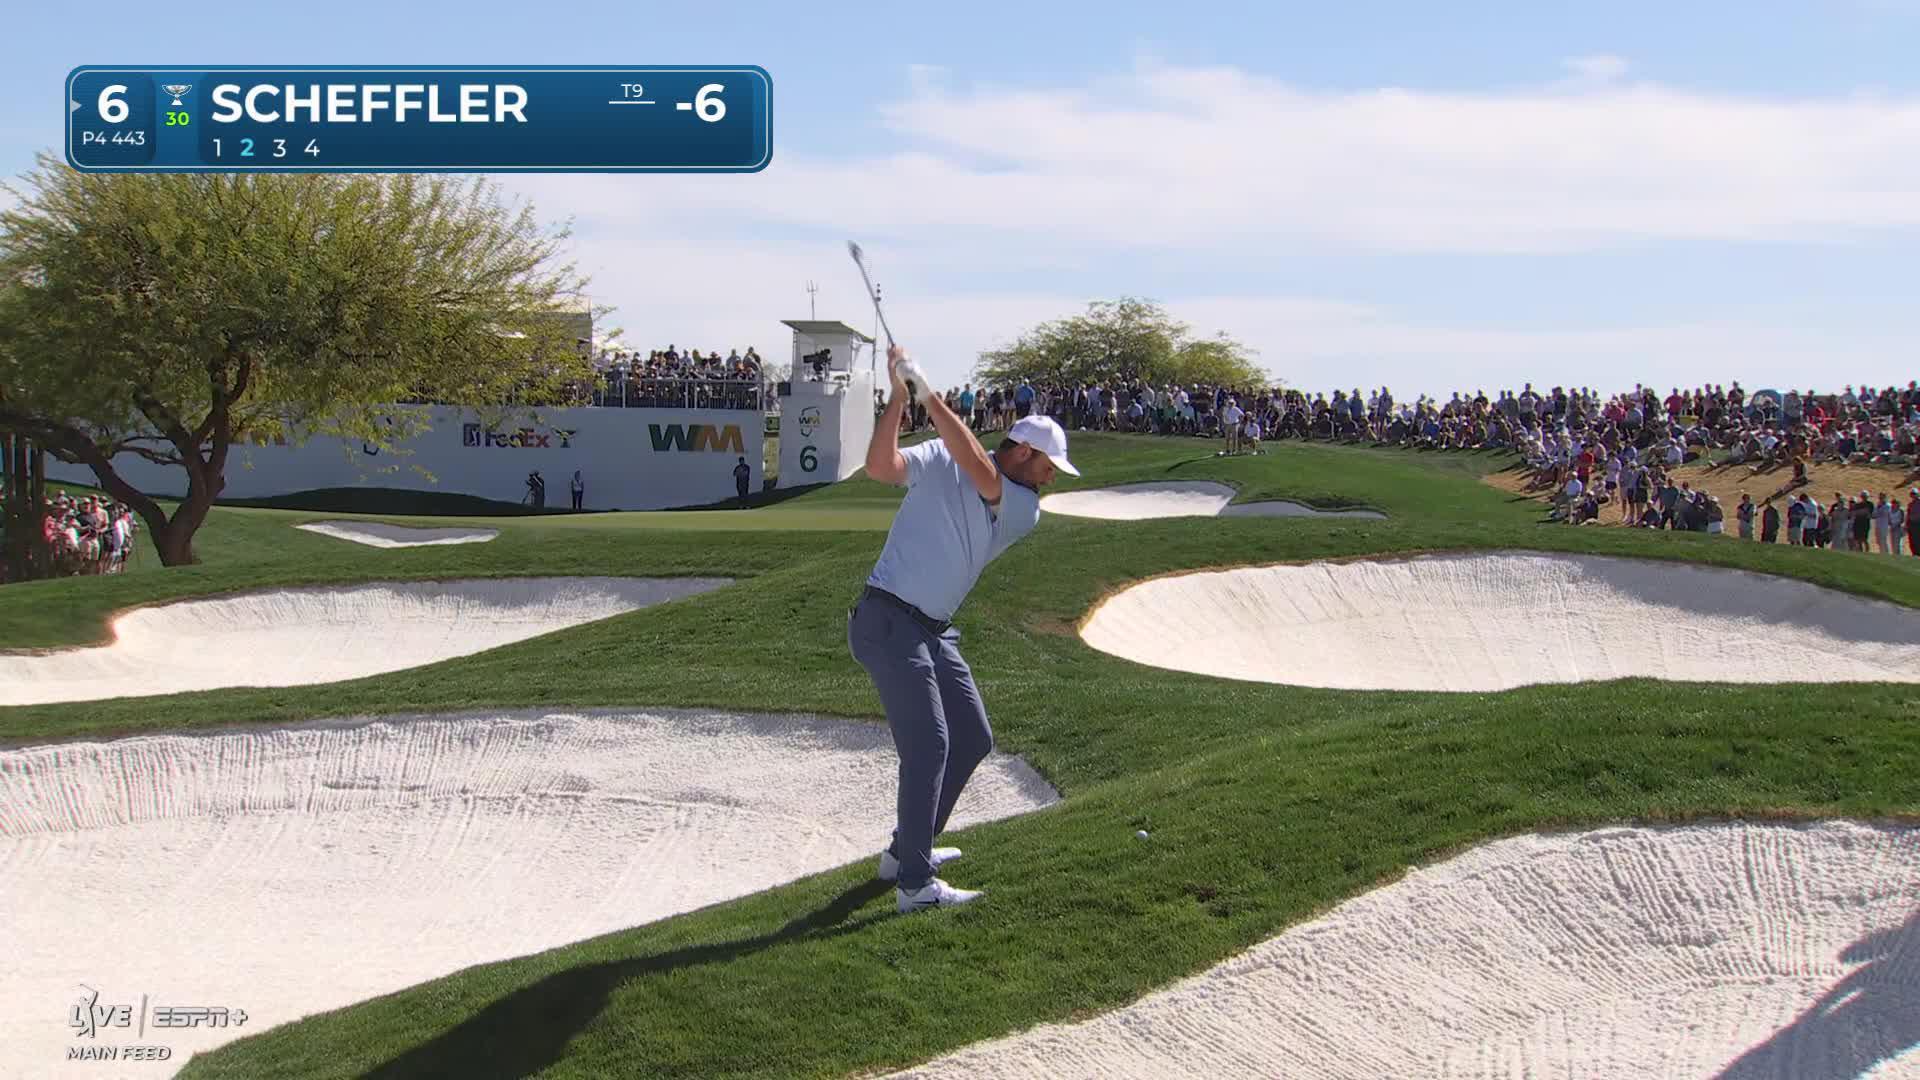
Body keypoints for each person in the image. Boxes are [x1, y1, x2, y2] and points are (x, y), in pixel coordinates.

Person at [850, 344, 1078, 914]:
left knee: (971, 737)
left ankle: (908, 850)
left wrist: (930, 394)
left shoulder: (1023, 505)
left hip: (931, 631)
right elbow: (881, 467)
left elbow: (978, 466)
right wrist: (901, 398)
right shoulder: (944, 455)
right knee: (929, 745)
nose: (1051, 478)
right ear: (1025, 452)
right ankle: (914, 887)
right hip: (888, 620)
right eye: (1049, 465)